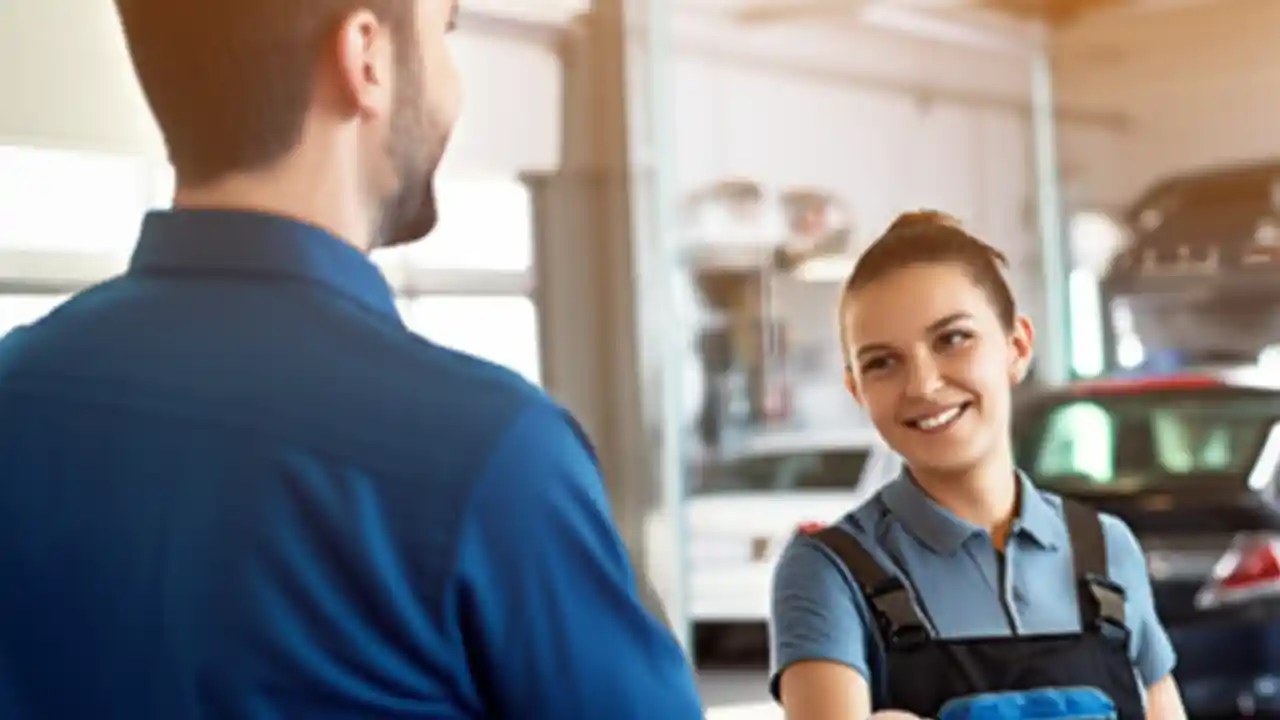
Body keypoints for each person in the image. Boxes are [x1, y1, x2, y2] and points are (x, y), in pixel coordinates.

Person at [0, 2, 703, 718]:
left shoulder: (15, 391)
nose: (453, 87)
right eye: (445, 34)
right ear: (365, 56)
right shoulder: (490, 458)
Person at [769, 211, 1187, 720]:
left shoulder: (1107, 550)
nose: (922, 385)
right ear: (856, 388)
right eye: (882, 362)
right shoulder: (828, 571)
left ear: (1017, 347)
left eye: (952, 339)